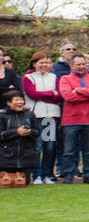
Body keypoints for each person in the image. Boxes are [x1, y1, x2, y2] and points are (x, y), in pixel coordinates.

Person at [56, 53, 89, 183]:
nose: (82, 66)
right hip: (71, 119)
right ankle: (68, 175)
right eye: (78, 64)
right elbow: (68, 97)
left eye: (83, 64)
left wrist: (78, 90)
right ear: (71, 65)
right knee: (69, 150)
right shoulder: (64, 79)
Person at [22, 52, 61, 184]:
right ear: (34, 63)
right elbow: (32, 94)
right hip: (36, 116)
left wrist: (44, 95)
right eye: (42, 62)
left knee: (49, 146)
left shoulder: (54, 77)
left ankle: (46, 174)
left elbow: (59, 96)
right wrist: (50, 94)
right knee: (37, 146)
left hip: (51, 116)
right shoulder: (28, 78)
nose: (45, 65)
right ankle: (36, 175)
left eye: (48, 63)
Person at [0, 89, 39, 186]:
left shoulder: (29, 114)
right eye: (16, 100)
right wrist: (16, 132)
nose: (20, 102)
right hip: (6, 158)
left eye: (21, 100)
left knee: (23, 183)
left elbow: (37, 132)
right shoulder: (2, 116)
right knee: (7, 182)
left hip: (26, 157)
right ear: (8, 103)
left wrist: (29, 132)